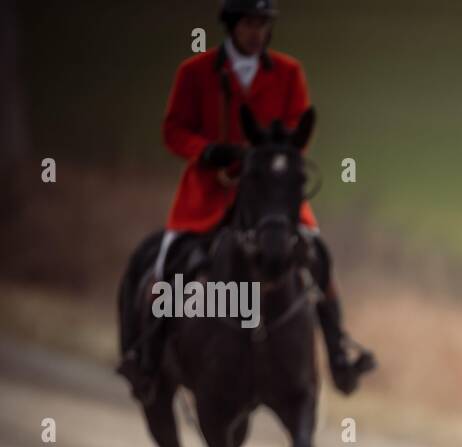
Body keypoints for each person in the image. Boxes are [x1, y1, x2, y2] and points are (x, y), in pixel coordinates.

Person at [118, 0, 374, 399]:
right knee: (168, 263)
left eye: (263, 24)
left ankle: (339, 352)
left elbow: (297, 133)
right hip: (209, 192)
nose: (256, 32)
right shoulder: (195, 72)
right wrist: (205, 151)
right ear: (232, 26)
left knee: (318, 255)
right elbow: (173, 130)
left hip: (271, 198)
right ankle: (147, 355)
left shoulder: (289, 73)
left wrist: (271, 156)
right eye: (249, 24)